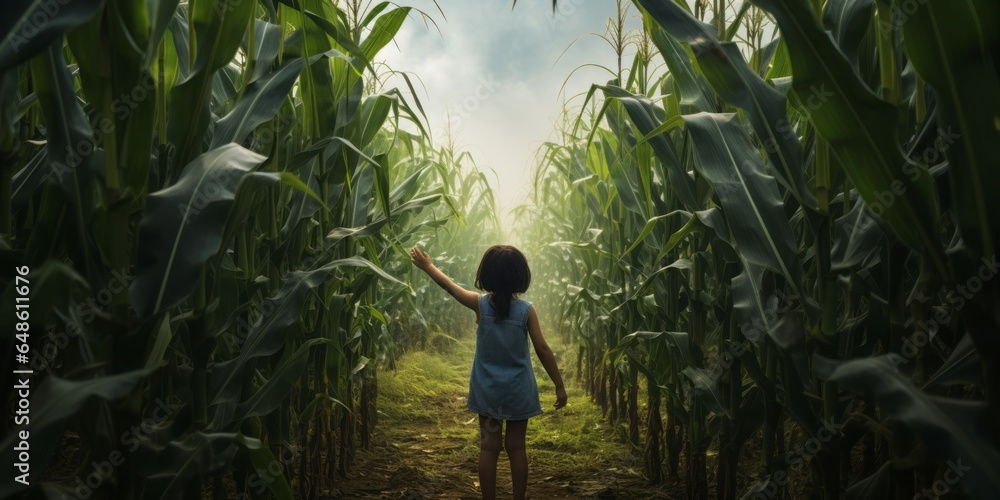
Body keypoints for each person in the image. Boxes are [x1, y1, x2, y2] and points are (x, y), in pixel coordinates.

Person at [409, 244, 567, 500]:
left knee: (489, 447)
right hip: (518, 391)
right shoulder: (526, 310)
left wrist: (428, 266)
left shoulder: (479, 305)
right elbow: (543, 349)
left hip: (489, 391)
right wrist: (559, 385)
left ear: (487, 275)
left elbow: (450, 287)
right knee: (517, 448)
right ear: (521, 277)